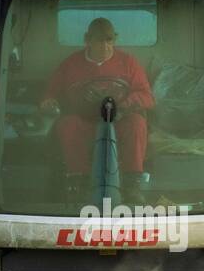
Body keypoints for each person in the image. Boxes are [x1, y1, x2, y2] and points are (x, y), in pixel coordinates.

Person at [39, 17, 154, 178]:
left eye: (109, 40)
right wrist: (48, 102)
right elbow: (50, 93)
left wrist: (124, 105)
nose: (105, 46)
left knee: (137, 123)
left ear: (115, 39)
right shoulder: (71, 64)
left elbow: (146, 96)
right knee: (68, 125)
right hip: (84, 121)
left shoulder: (129, 63)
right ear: (87, 40)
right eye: (100, 41)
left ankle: (132, 182)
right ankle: (79, 179)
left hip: (120, 120)